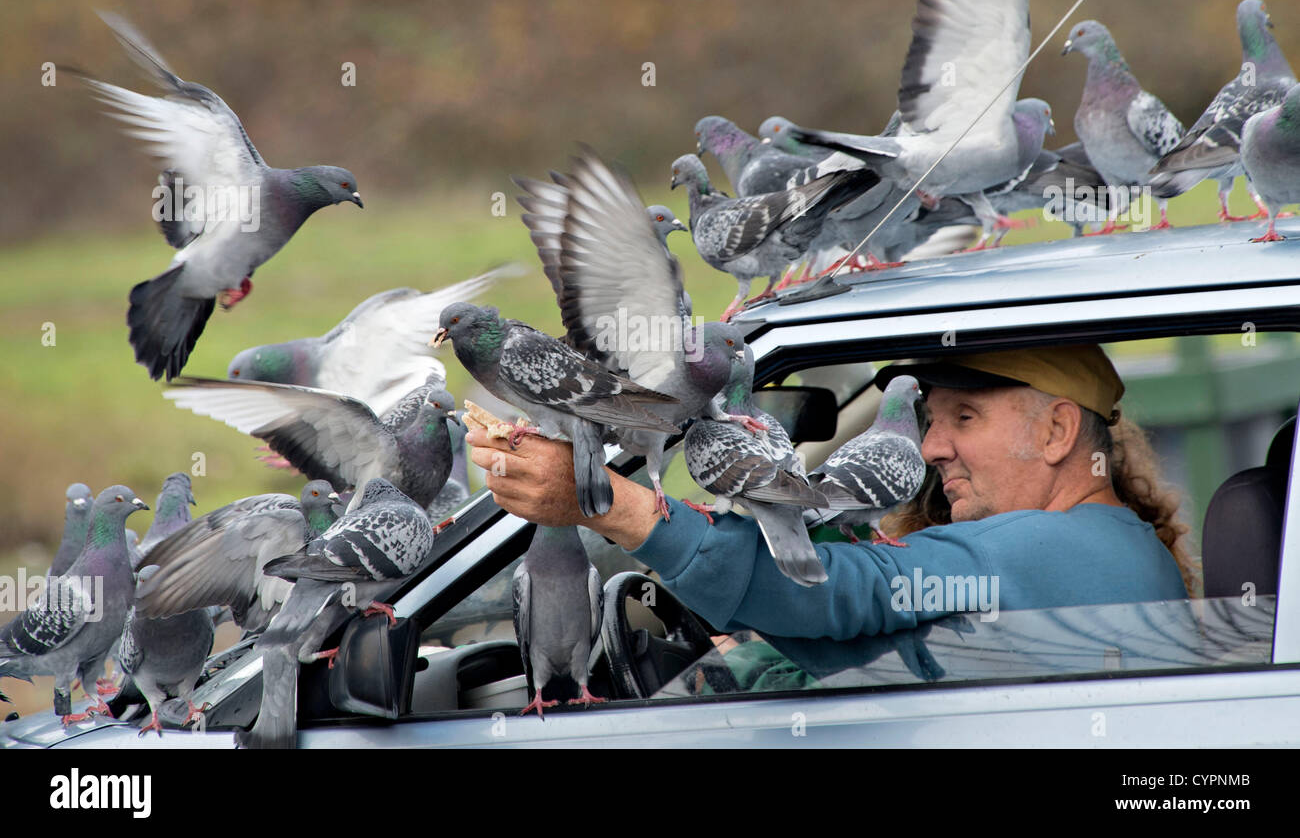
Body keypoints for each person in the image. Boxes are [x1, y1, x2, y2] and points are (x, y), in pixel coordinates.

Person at [466, 344, 1196, 641]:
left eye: (964, 419)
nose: (931, 447)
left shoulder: (1050, 548)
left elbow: (848, 594)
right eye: (929, 420)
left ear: (1058, 432)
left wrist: (612, 504)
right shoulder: (1116, 545)